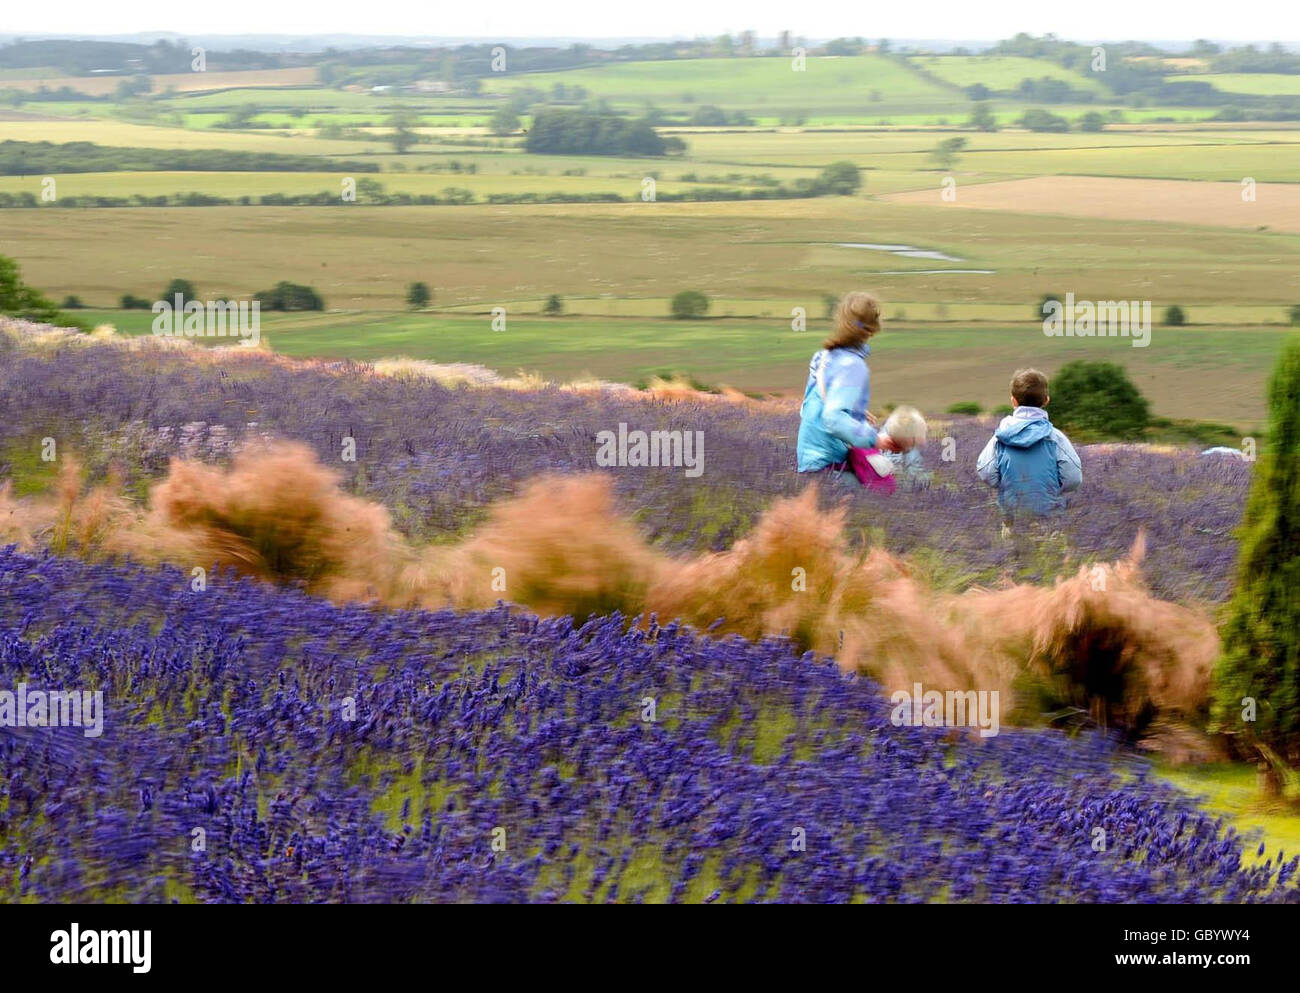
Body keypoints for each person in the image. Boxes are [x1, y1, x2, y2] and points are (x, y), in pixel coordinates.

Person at [797, 291, 902, 487]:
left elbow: (812, 405)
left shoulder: (823, 357)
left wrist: (853, 410)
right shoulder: (852, 365)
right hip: (830, 466)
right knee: (885, 495)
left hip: (809, 462)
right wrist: (875, 439)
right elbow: (832, 418)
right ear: (873, 328)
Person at [976, 368, 1082, 528]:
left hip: (1012, 518)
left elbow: (986, 472)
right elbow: (1073, 479)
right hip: (1050, 518)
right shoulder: (1055, 437)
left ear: (1013, 401)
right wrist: (1049, 488)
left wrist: (1008, 484)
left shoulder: (1000, 438)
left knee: (1011, 551)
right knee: (1049, 553)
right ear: (1046, 400)